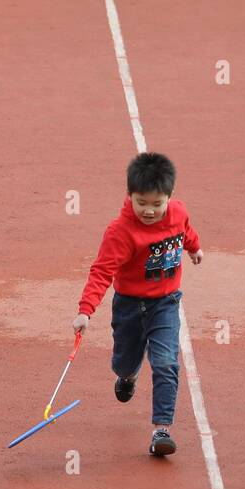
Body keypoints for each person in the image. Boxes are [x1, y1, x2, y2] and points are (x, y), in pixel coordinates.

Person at [72, 152, 204, 456]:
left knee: (166, 362)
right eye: (141, 203)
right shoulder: (120, 232)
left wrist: (195, 248)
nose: (149, 211)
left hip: (166, 304)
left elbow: (185, 231)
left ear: (169, 197)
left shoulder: (178, 212)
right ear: (129, 195)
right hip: (130, 306)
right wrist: (85, 311)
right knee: (125, 361)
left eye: (157, 204)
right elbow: (102, 271)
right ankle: (127, 376)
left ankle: (161, 431)